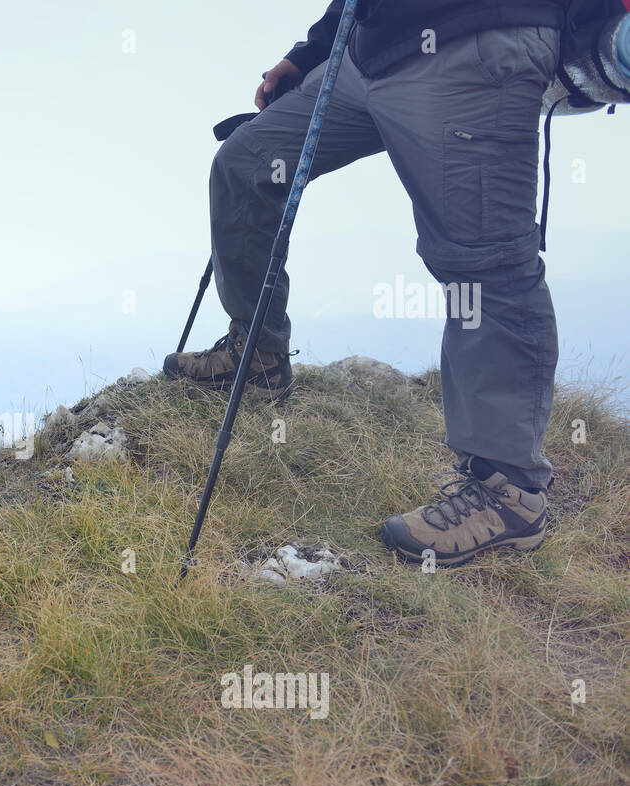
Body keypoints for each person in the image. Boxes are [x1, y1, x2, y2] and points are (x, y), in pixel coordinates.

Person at [164, 0, 569, 568]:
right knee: (248, 162)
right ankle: (256, 356)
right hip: (369, 52)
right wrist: (310, 55)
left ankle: (509, 492)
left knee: (484, 263)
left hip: (477, 41)